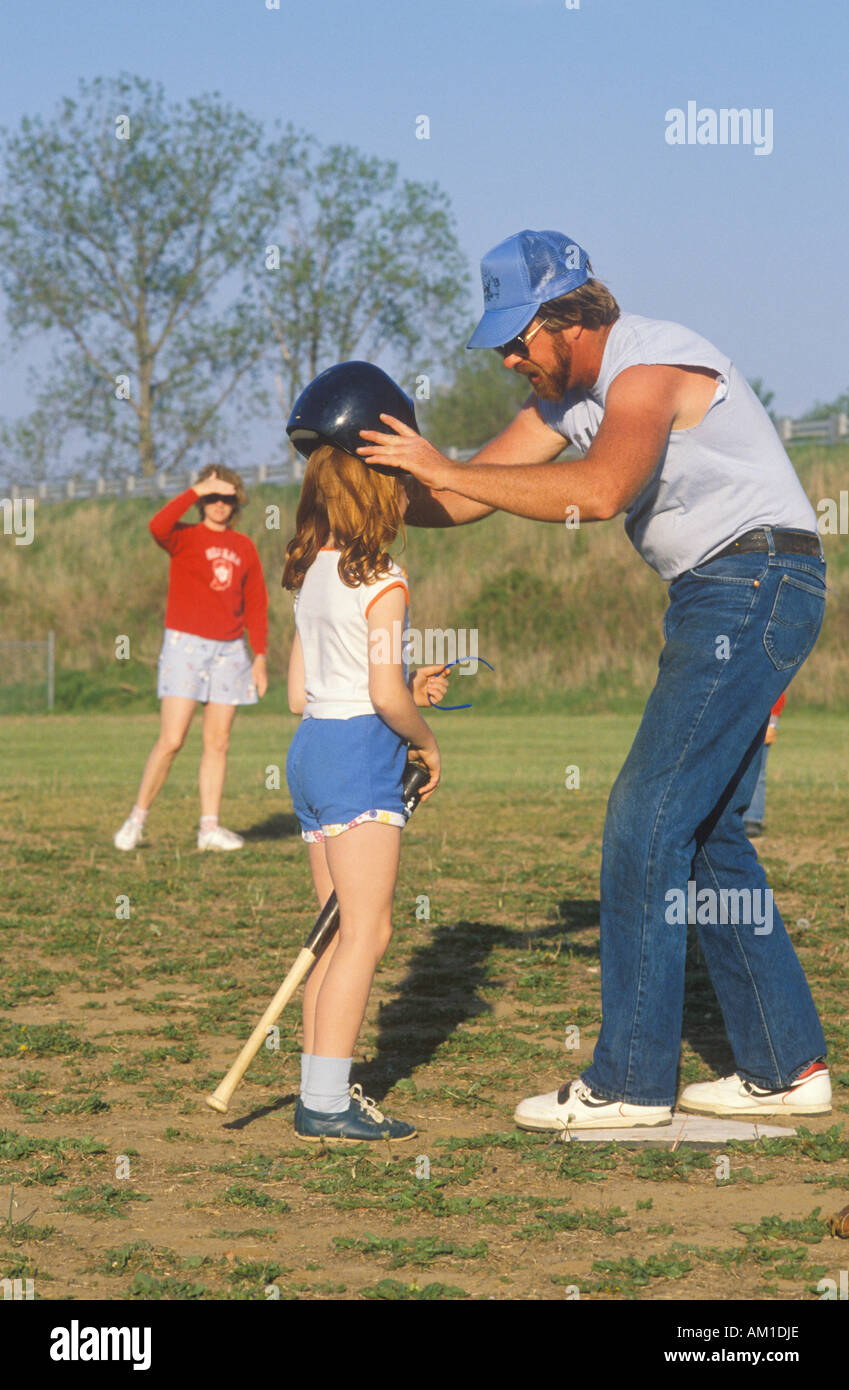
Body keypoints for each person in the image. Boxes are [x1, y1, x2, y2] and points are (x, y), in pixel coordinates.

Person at [357, 229, 831, 1128]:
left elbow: (604, 489)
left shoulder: (648, 367)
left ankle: (630, 1082)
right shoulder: (560, 399)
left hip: (753, 583)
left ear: (566, 317)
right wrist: (364, 471)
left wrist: (448, 467)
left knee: (644, 817)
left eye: (514, 336)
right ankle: (786, 1066)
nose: (504, 357)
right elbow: (461, 495)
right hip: (722, 592)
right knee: (703, 833)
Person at [283, 362, 448, 1144]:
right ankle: (324, 1103)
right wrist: (424, 736)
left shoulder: (308, 572)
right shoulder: (382, 577)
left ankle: (318, 1087)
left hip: (311, 745)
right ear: (383, 491)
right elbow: (384, 697)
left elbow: (300, 689)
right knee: (369, 932)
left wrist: (405, 683)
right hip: (357, 753)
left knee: (335, 930)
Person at [113, 465, 268, 853]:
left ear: (237, 502)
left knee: (218, 742)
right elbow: (157, 525)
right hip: (186, 646)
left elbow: (257, 606)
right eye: (212, 497)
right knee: (172, 739)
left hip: (230, 651)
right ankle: (136, 819)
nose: (220, 504)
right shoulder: (183, 536)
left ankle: (209, 828)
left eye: (227, 497)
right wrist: (197, 488)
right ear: (202, 500)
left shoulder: (244, 547)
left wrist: (260, 656)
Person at [743, 694, 786, 837]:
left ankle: (752, 819)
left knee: (758, 772)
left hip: (765, 720)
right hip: (741, 717)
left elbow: (778, 694)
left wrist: (773, 723)